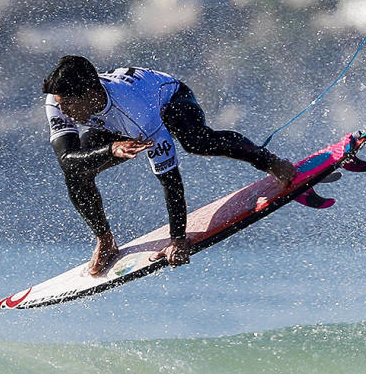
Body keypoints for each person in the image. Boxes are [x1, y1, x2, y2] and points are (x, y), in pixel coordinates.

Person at [43, 55, 298, 276]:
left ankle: (273, 163)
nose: (62, 111)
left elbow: (170, 180)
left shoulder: (137, 113)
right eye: (60, 104)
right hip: (112, 124)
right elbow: (68, 159)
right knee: (76, 173)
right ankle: (105, 240)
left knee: (197, 142)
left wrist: (178, 239)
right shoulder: (57, 101)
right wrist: (112, 148)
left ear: (88, 94)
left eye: (68, 105)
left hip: (169, 100)